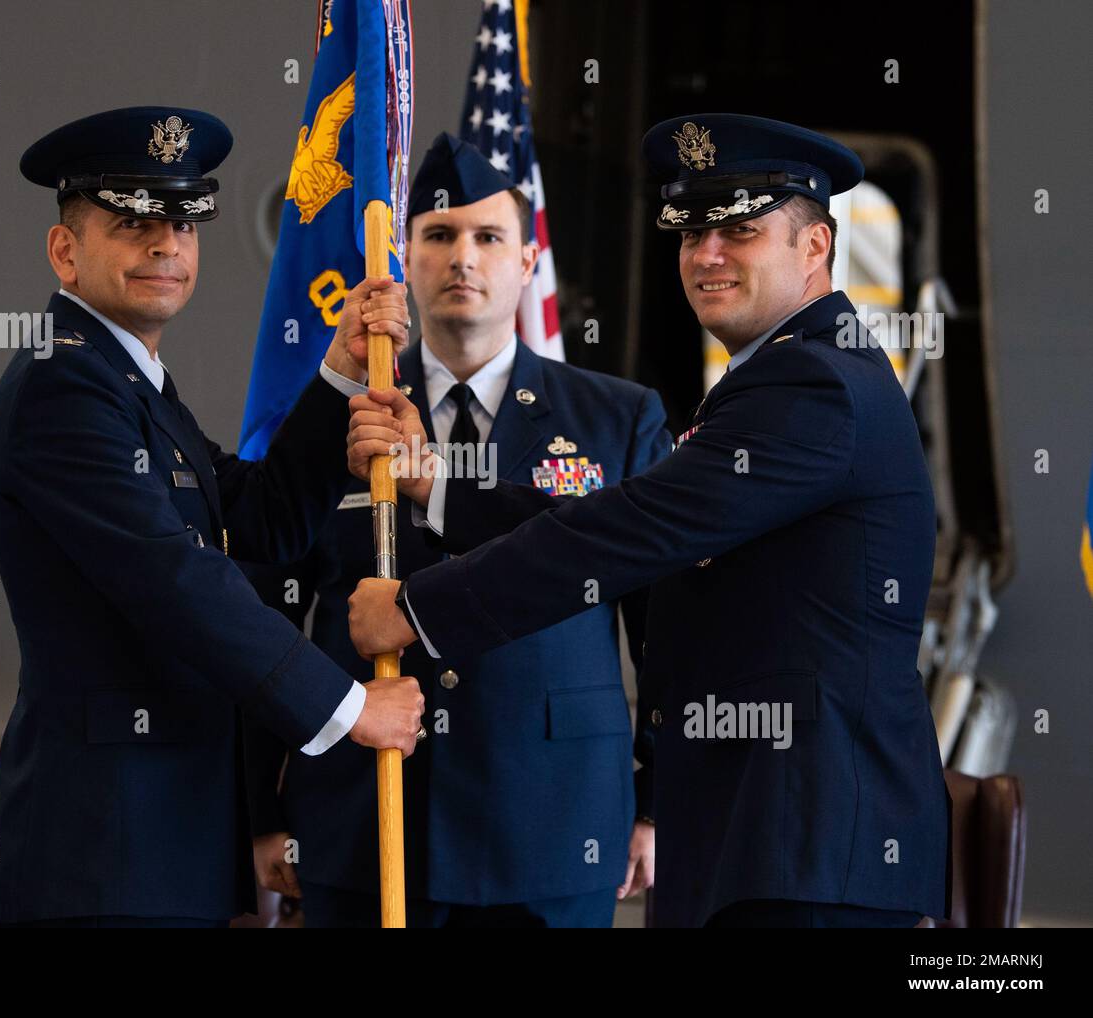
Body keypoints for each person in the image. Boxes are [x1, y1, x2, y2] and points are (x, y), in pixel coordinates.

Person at [346, 114, 952, 929]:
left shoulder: (812, 384)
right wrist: (440, 491)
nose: (707, 253)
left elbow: (630, 531)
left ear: (816, 247)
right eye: (691, 229)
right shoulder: (778, 376)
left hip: (808, 846)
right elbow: (635, 520)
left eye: (740, 228)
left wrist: (418, 610)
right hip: (769, 839)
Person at [0, 106, 423, 928]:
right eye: (134, 222)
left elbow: (252, 523)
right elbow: (176, 579)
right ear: (65, 252)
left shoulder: (129, 380)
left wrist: (340, 374)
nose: (166, 245)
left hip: (158, 838)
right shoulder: (63, 390)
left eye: (183, 221)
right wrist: (349, 708)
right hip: (101, 861)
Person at [244, 134, 671, 927]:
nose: (462, 257)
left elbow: (663, 627)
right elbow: (266, 610)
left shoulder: (617, 420)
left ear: (527, 260)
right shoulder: (336, 415)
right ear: (404, 261)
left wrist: (653, 800)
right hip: (363, 819)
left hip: (551, 825)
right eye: (438, 236)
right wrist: (262, 806)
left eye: (488, 237)